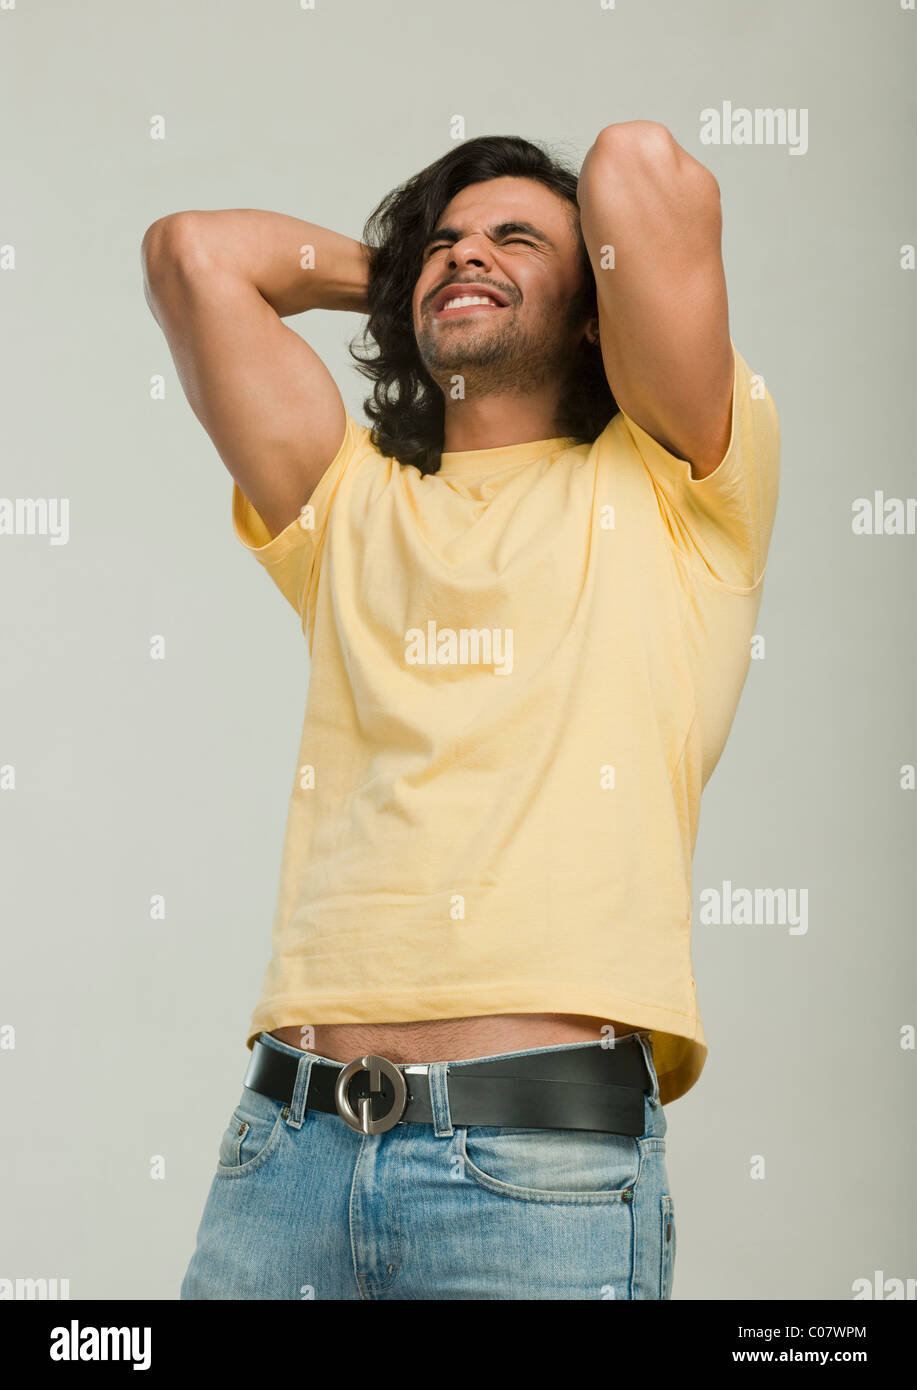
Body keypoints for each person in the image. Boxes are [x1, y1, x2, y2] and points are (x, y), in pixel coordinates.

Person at [141, 123, 779, 1300]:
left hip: (539, 1167)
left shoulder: (678, 484)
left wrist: (534, 256)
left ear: (596, 297)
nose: (463, 253)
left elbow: (639, 166)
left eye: (511, 238)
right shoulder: (349, 503)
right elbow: (193, 257)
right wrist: (405, 273)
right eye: (444, 241)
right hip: (285, 1151)